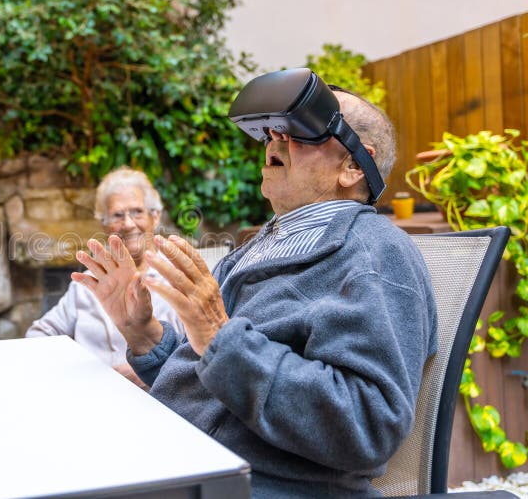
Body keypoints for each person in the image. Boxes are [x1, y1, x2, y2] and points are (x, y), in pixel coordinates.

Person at [72, 78, 438, 497]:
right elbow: (212, 380)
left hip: (253, 485)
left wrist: (218, 336)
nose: (274, 138)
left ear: (354, 166)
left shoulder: (372, 253)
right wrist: (144, 334)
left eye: (301, 128)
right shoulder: (265, 243)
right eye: (270, 129)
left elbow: (368, 426)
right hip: (183, 455)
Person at [25, 167, 184, 387]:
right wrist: (78, 374)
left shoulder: (177, 279)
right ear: (104, 224)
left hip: (157, 401)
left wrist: (149, 370)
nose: (128, 224)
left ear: (155, 216)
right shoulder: (87, 283)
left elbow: (197, 353)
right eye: (117, 215)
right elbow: (38, 335)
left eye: (137, 211)